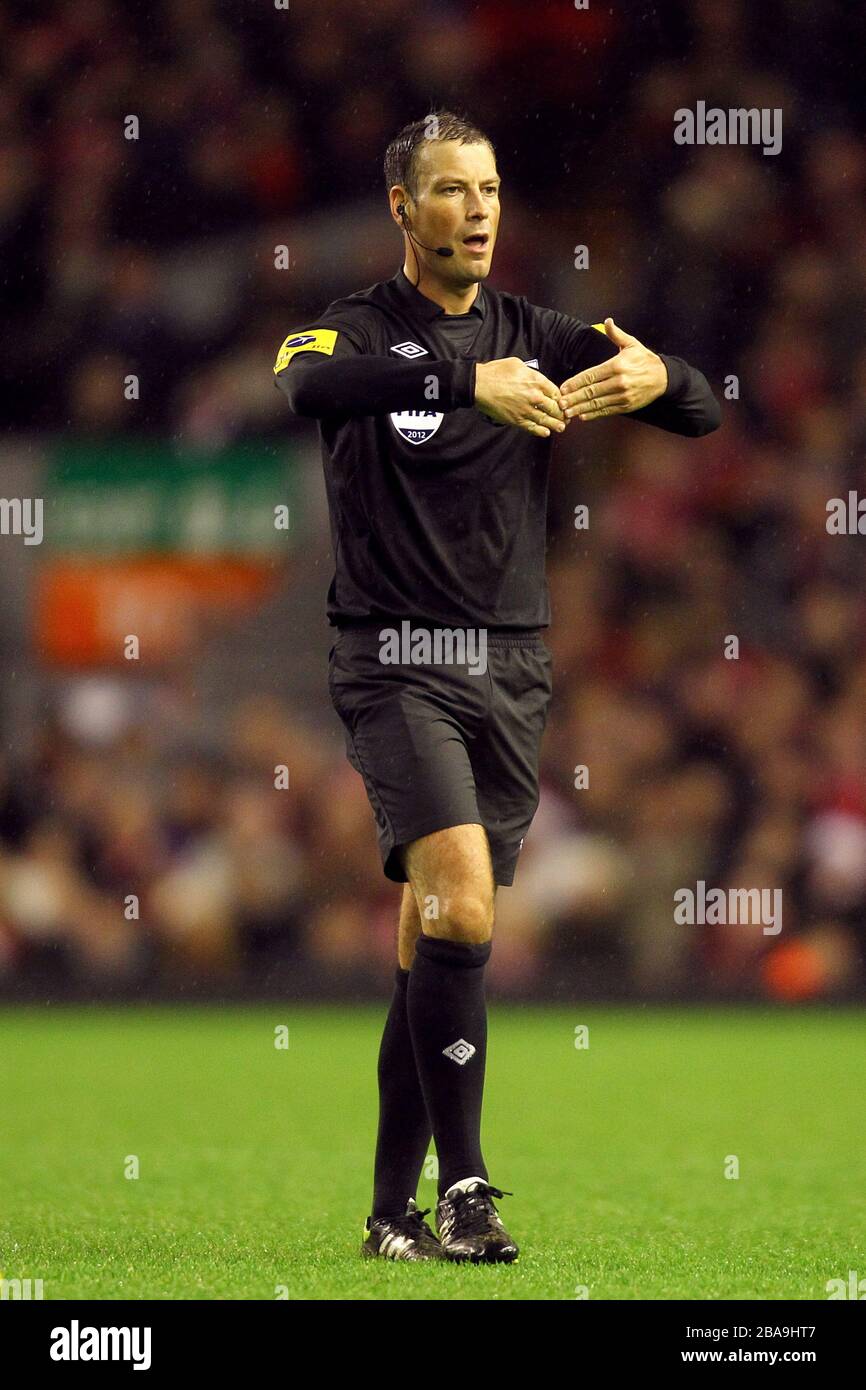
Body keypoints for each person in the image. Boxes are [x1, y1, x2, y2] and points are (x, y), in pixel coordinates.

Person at [274, 110, 721, 1264]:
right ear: (400, 208)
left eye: (488, 189)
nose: (475, 210)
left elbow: (701, 405)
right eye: (448, 191)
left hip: (509, 664)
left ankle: (388, 1217)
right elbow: (304, 385)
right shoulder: (364, 328)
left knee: (437, 932)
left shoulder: (537, 329)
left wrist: (650, 372)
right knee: (463, 902)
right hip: (391, 656)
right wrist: (468, 385)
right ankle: (466, 1187)